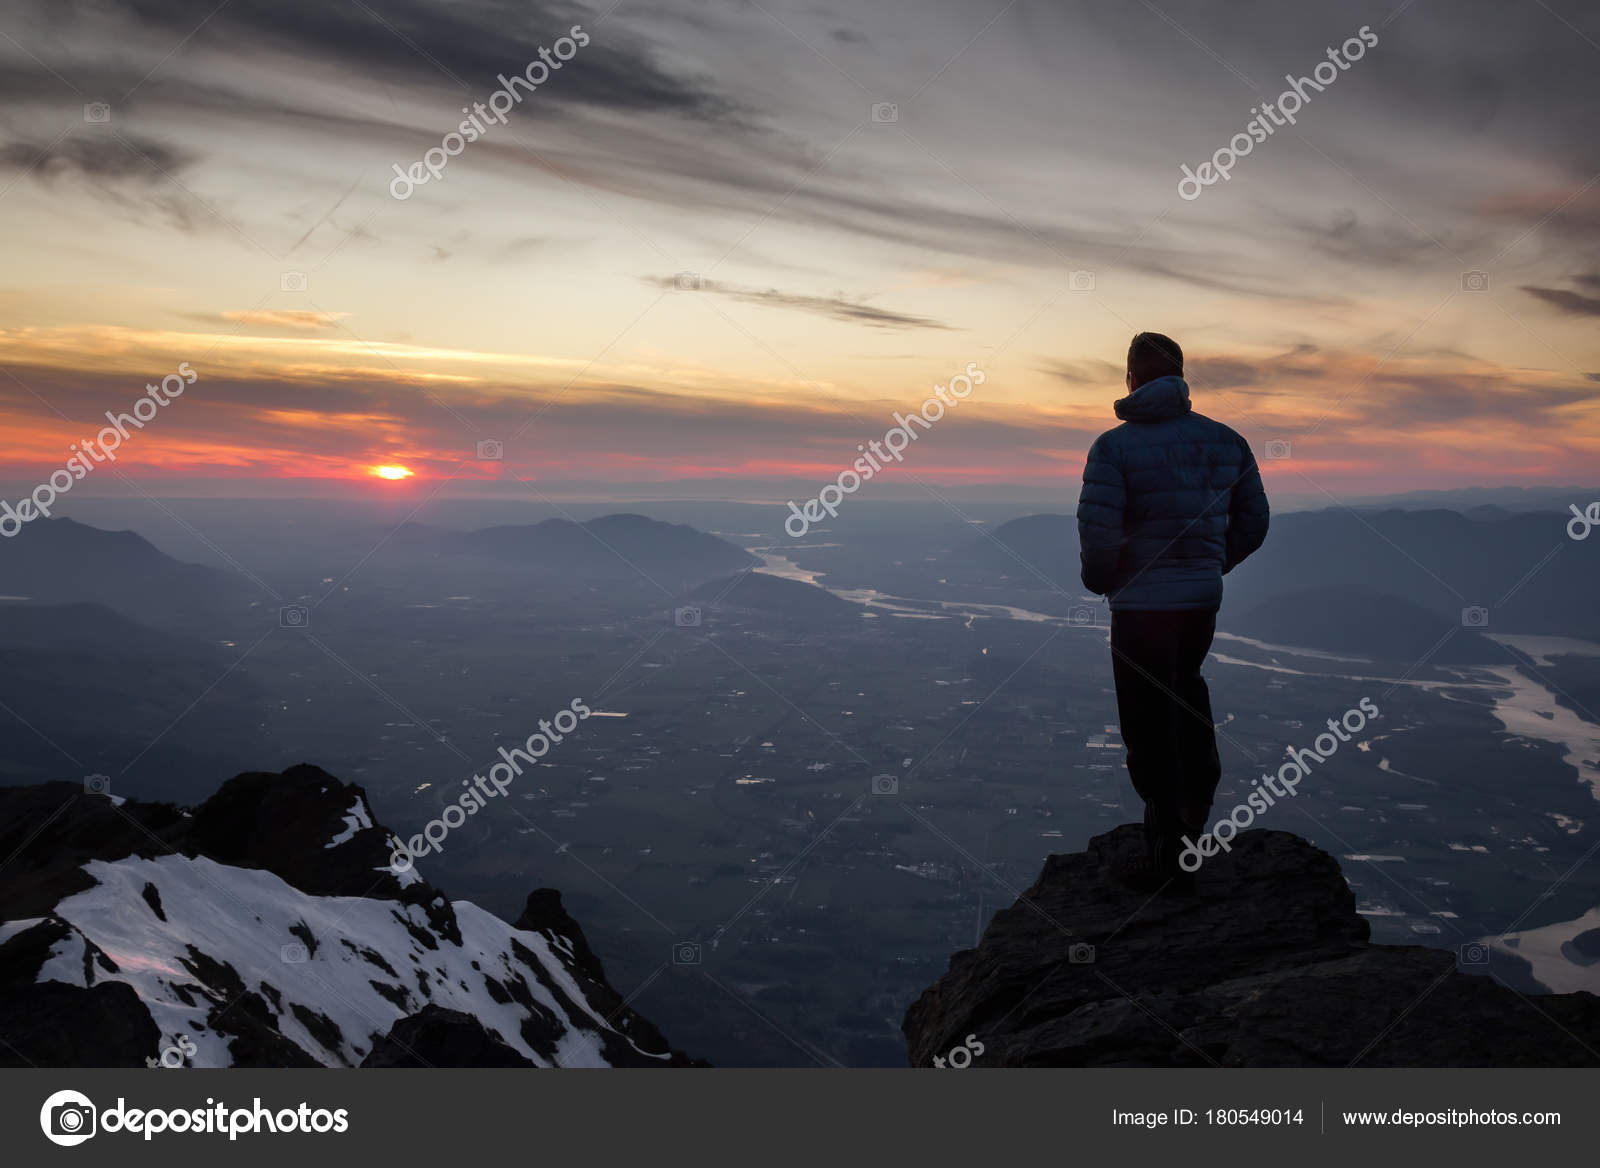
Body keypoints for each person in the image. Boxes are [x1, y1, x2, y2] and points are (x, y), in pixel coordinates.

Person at [1076, 332, 1269, 890]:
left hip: (1140, 609)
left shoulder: (1113, 448)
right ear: (1180, 376)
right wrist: (1209, 566)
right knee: (1187, 695)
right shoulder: (1226, 441)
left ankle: (1167, 855)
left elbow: (1098, 532)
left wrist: (1105, 581)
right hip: (1198, 603)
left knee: (1146, 717)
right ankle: (1189, 823)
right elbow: (1254, 523)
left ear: (1131, 379)